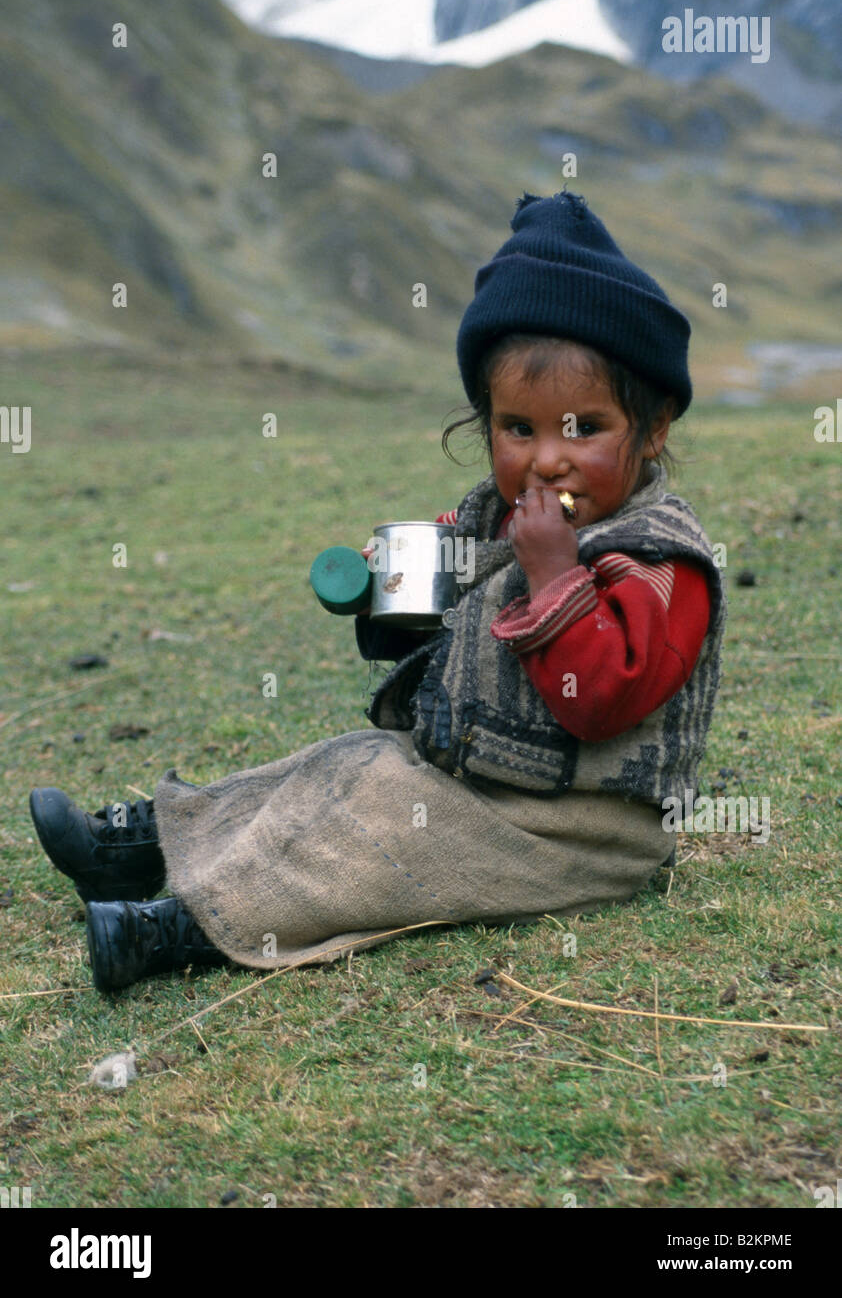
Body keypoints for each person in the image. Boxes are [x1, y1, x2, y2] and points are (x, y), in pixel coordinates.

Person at [29, 190, 726, 992]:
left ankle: (175, 931)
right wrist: (390, 590)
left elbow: (602, 699)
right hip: (488, 786)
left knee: (375, 823)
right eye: (518, 428)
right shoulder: (501, 523)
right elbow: (453, 626)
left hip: (584, 831)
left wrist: (557, 577)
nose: (546, 461)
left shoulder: (660, 560)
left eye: (585, 429)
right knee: (339, 763)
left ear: (656, 428)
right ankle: (132, 850)